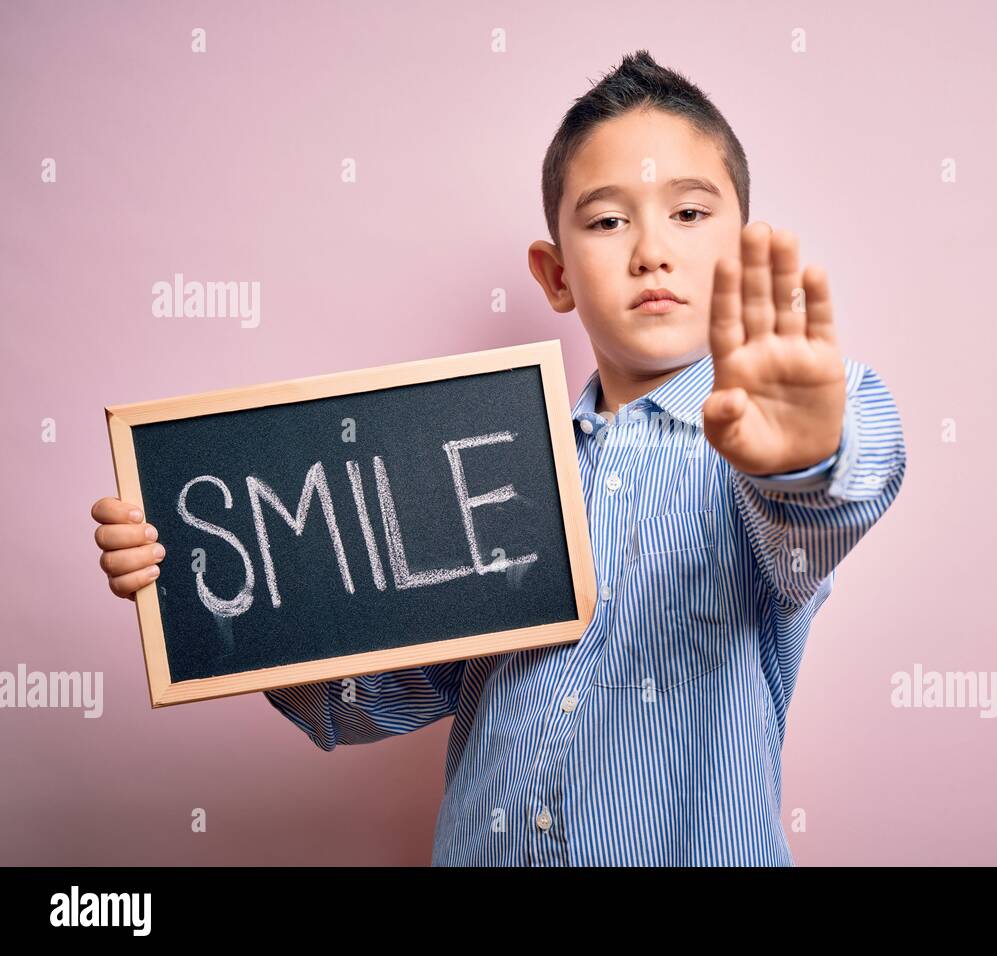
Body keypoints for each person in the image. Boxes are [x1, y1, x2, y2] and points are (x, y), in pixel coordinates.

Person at [91, 50, 907, 865]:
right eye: (607, 220)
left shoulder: (760, 460)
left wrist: (805, 460)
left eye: (690, 214)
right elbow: (376, 697)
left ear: (745, 247)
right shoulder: (486, 469)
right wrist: (224, 592)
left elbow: (834, 501)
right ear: (555, 275)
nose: (651, 251)